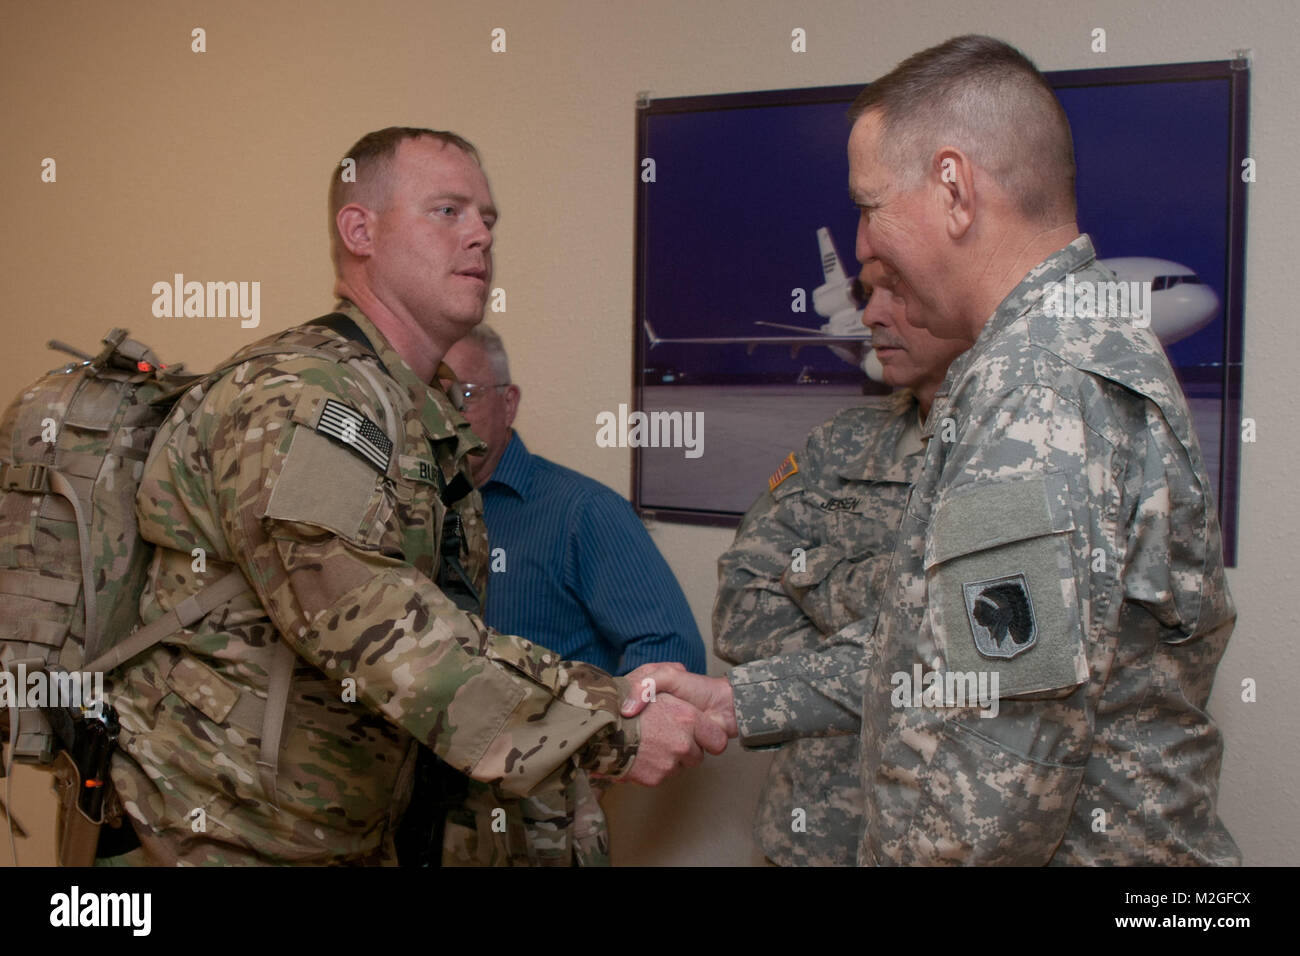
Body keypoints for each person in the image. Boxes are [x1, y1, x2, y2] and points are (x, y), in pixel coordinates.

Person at [632, 35, 1239, 865]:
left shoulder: (1037, 389)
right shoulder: (1047, 358)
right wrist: (743, 697)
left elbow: (992, 794)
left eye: (869, 202)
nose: (863, 245)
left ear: (954, 188)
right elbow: (947, 660)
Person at [104, 127, 729, 866]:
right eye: (447, 211)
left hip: (331, 834)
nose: (479, 237)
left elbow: (441, 622)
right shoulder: (309, 392)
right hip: (218, 836)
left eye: (487, 219)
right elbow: (367, 619)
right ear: (360, 231)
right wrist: (608, 727)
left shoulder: (407, 406)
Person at [712, 264, 968, 865]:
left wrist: (812, 580)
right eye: (867, 293)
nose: (872, 315)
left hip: (946, 842)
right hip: (810, 838)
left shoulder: (1018, 450)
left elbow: (963, 658)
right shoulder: (838, 443)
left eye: (897, 291)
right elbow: (739, 612)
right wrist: (893, 608)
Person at [442, 326, 706, 677]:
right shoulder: (418, 507)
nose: (446, 414)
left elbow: (673, 653)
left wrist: (603, 726)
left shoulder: (584, 511)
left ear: (508, 404)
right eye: (432, 397)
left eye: (466, 394)